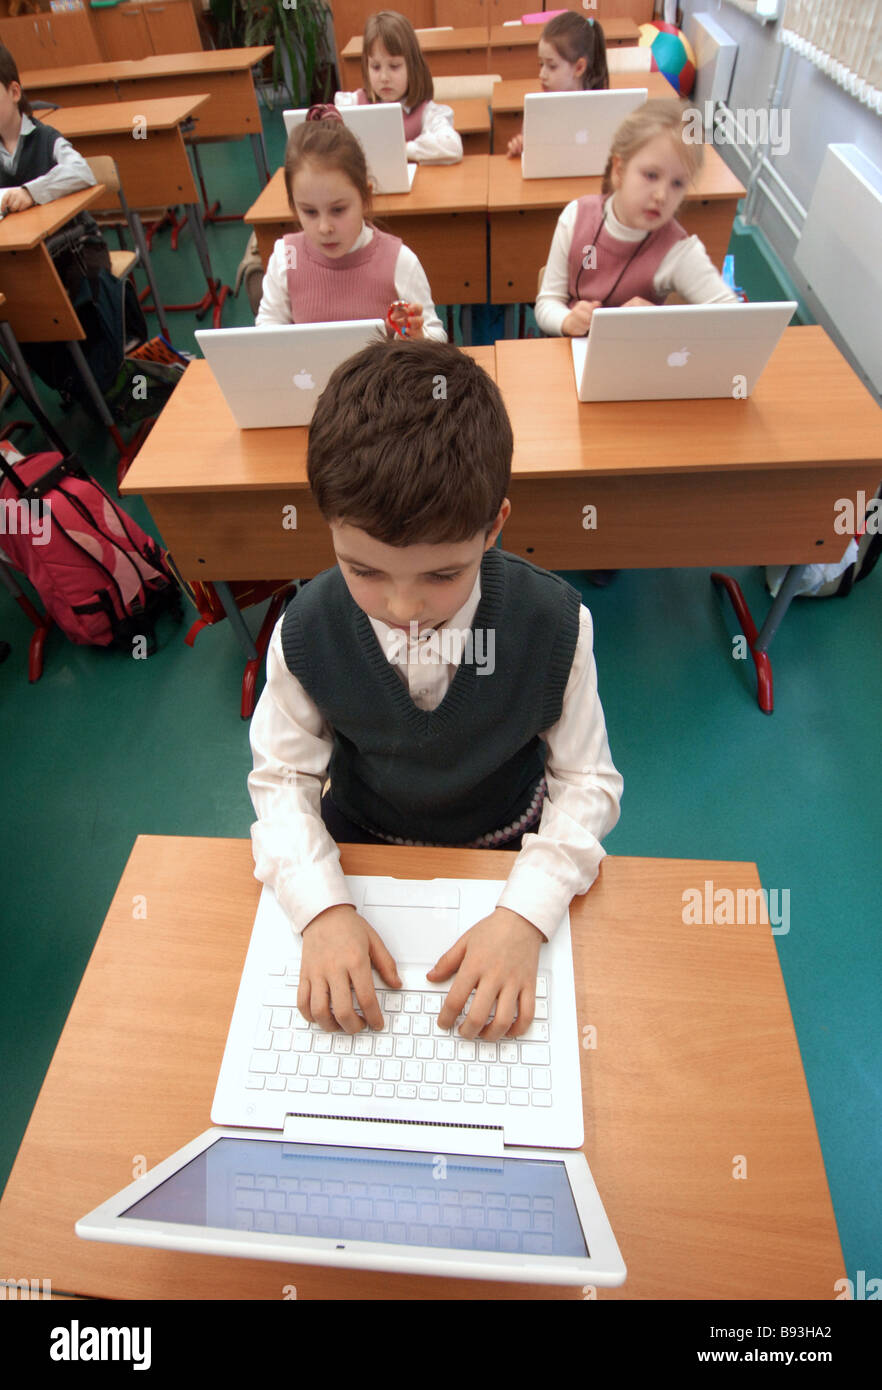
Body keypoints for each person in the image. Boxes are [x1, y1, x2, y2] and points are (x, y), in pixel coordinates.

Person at [248, 339, 623, 1041]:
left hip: (505, 851)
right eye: (363, 569)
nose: (402, 608)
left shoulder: (554, 625)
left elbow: (589, 784)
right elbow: (281, 775)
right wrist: (321, 909)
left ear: (495, 526)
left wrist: (525, 914)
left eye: (441, 576)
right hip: (357, 854)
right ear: (327, 526)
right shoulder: (307, 631)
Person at [535, 99, 739, 338]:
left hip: (637, 361)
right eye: (651, 175)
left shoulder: (679, 250)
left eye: (678, 184)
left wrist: (659, 321)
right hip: (569, 352)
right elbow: (548, 302)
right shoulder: (576, 217)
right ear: (619, 170)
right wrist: (567, 320)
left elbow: (733, 320)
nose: (662, 196)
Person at [256, 106, 445, 341]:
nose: (325, 227)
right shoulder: (288, 256)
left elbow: (436, 334)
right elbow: (267, 325)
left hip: (379, 378)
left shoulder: (398, 260)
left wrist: (418, 338)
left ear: (365, 197)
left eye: (338, 210)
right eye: (310, 212)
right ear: (294, 206)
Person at [335, 10, 463, 165]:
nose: (384, 77)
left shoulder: (426, 112)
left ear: (412, 66)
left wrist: (401, 149)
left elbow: (453, 147)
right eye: (375, 67)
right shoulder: (353, 103)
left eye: (394, 66)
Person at [506, 13, 608, 158]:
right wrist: (521, 145)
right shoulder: (537, 109)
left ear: (579, 68)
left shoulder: (602, 110)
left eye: (551, 66)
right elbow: (532, 153)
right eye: (541, 65)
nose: (542, 74)